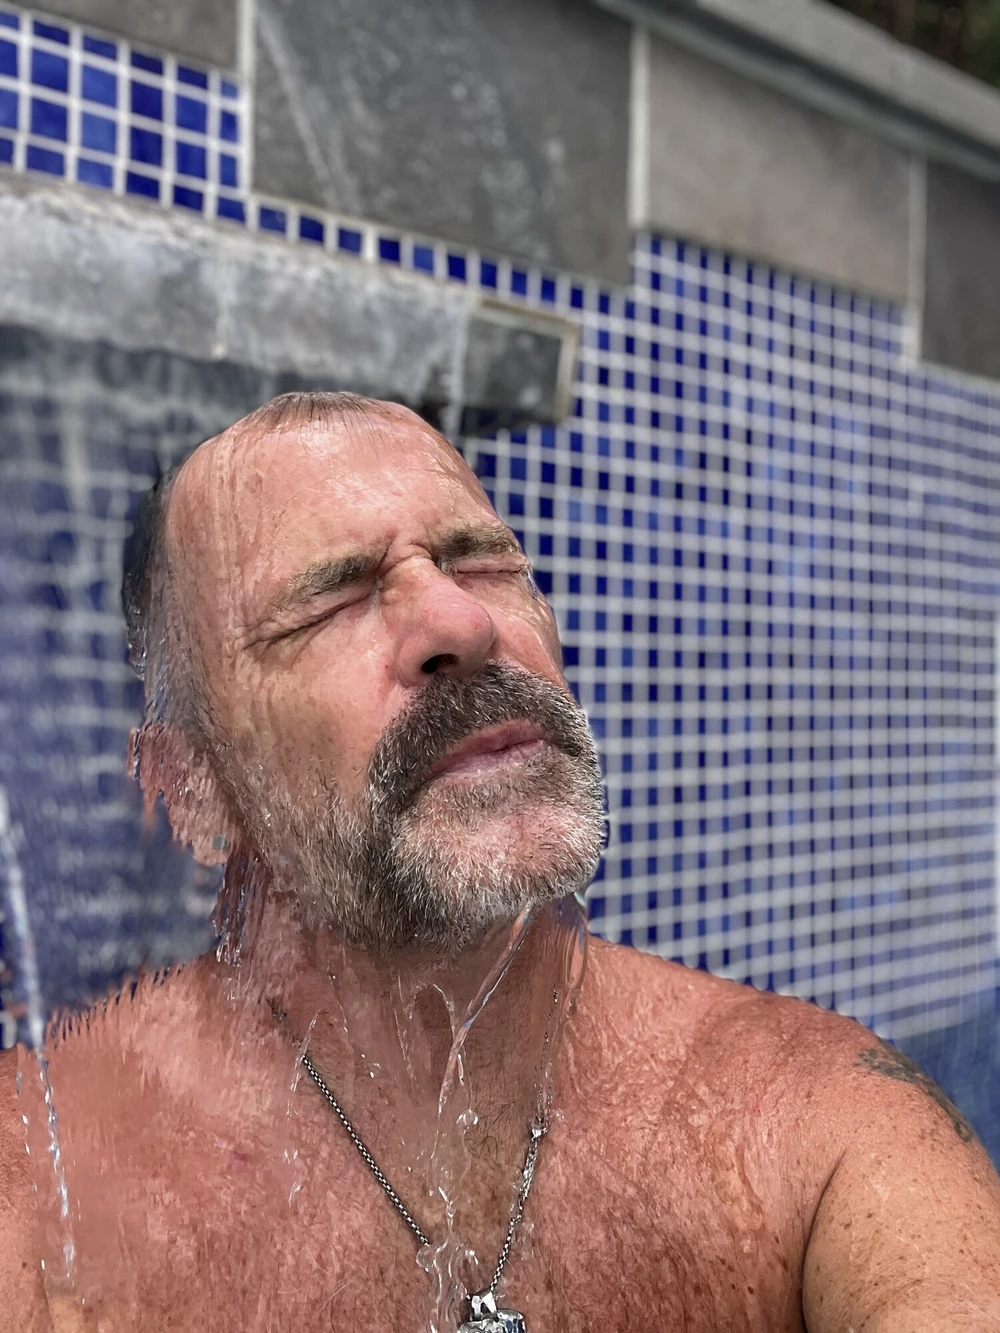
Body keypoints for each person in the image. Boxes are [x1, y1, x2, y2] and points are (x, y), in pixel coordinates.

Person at [1, 391, 998, 1333]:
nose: (463, 626)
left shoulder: (814, 1127)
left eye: (481, 563)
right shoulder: (40, 1190)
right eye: (328, 603)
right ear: (195, 792)